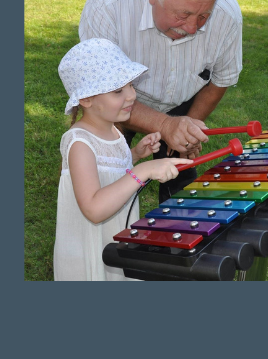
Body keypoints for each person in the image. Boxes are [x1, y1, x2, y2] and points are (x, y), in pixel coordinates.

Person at [78, 0, 242, 201]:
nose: (191, 28)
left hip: (184, 96)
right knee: (101, 181)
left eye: (203, 17)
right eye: (183, 14)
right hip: (114, 95)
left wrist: (185, 130)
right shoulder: (111, 0)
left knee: (182, 194)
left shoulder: (227, 16)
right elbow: (100, 91)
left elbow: (219, 82)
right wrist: (164, 124)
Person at [52, 39, 193, 281]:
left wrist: (135, 154)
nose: (131, 95)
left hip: (114, 239)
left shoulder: (113, 131)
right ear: (86, 99)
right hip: (89, 251)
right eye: (118, 90)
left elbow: (110, 172)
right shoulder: (79, 143)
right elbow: (94, 209)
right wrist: (144, 170)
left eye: (130, 85)